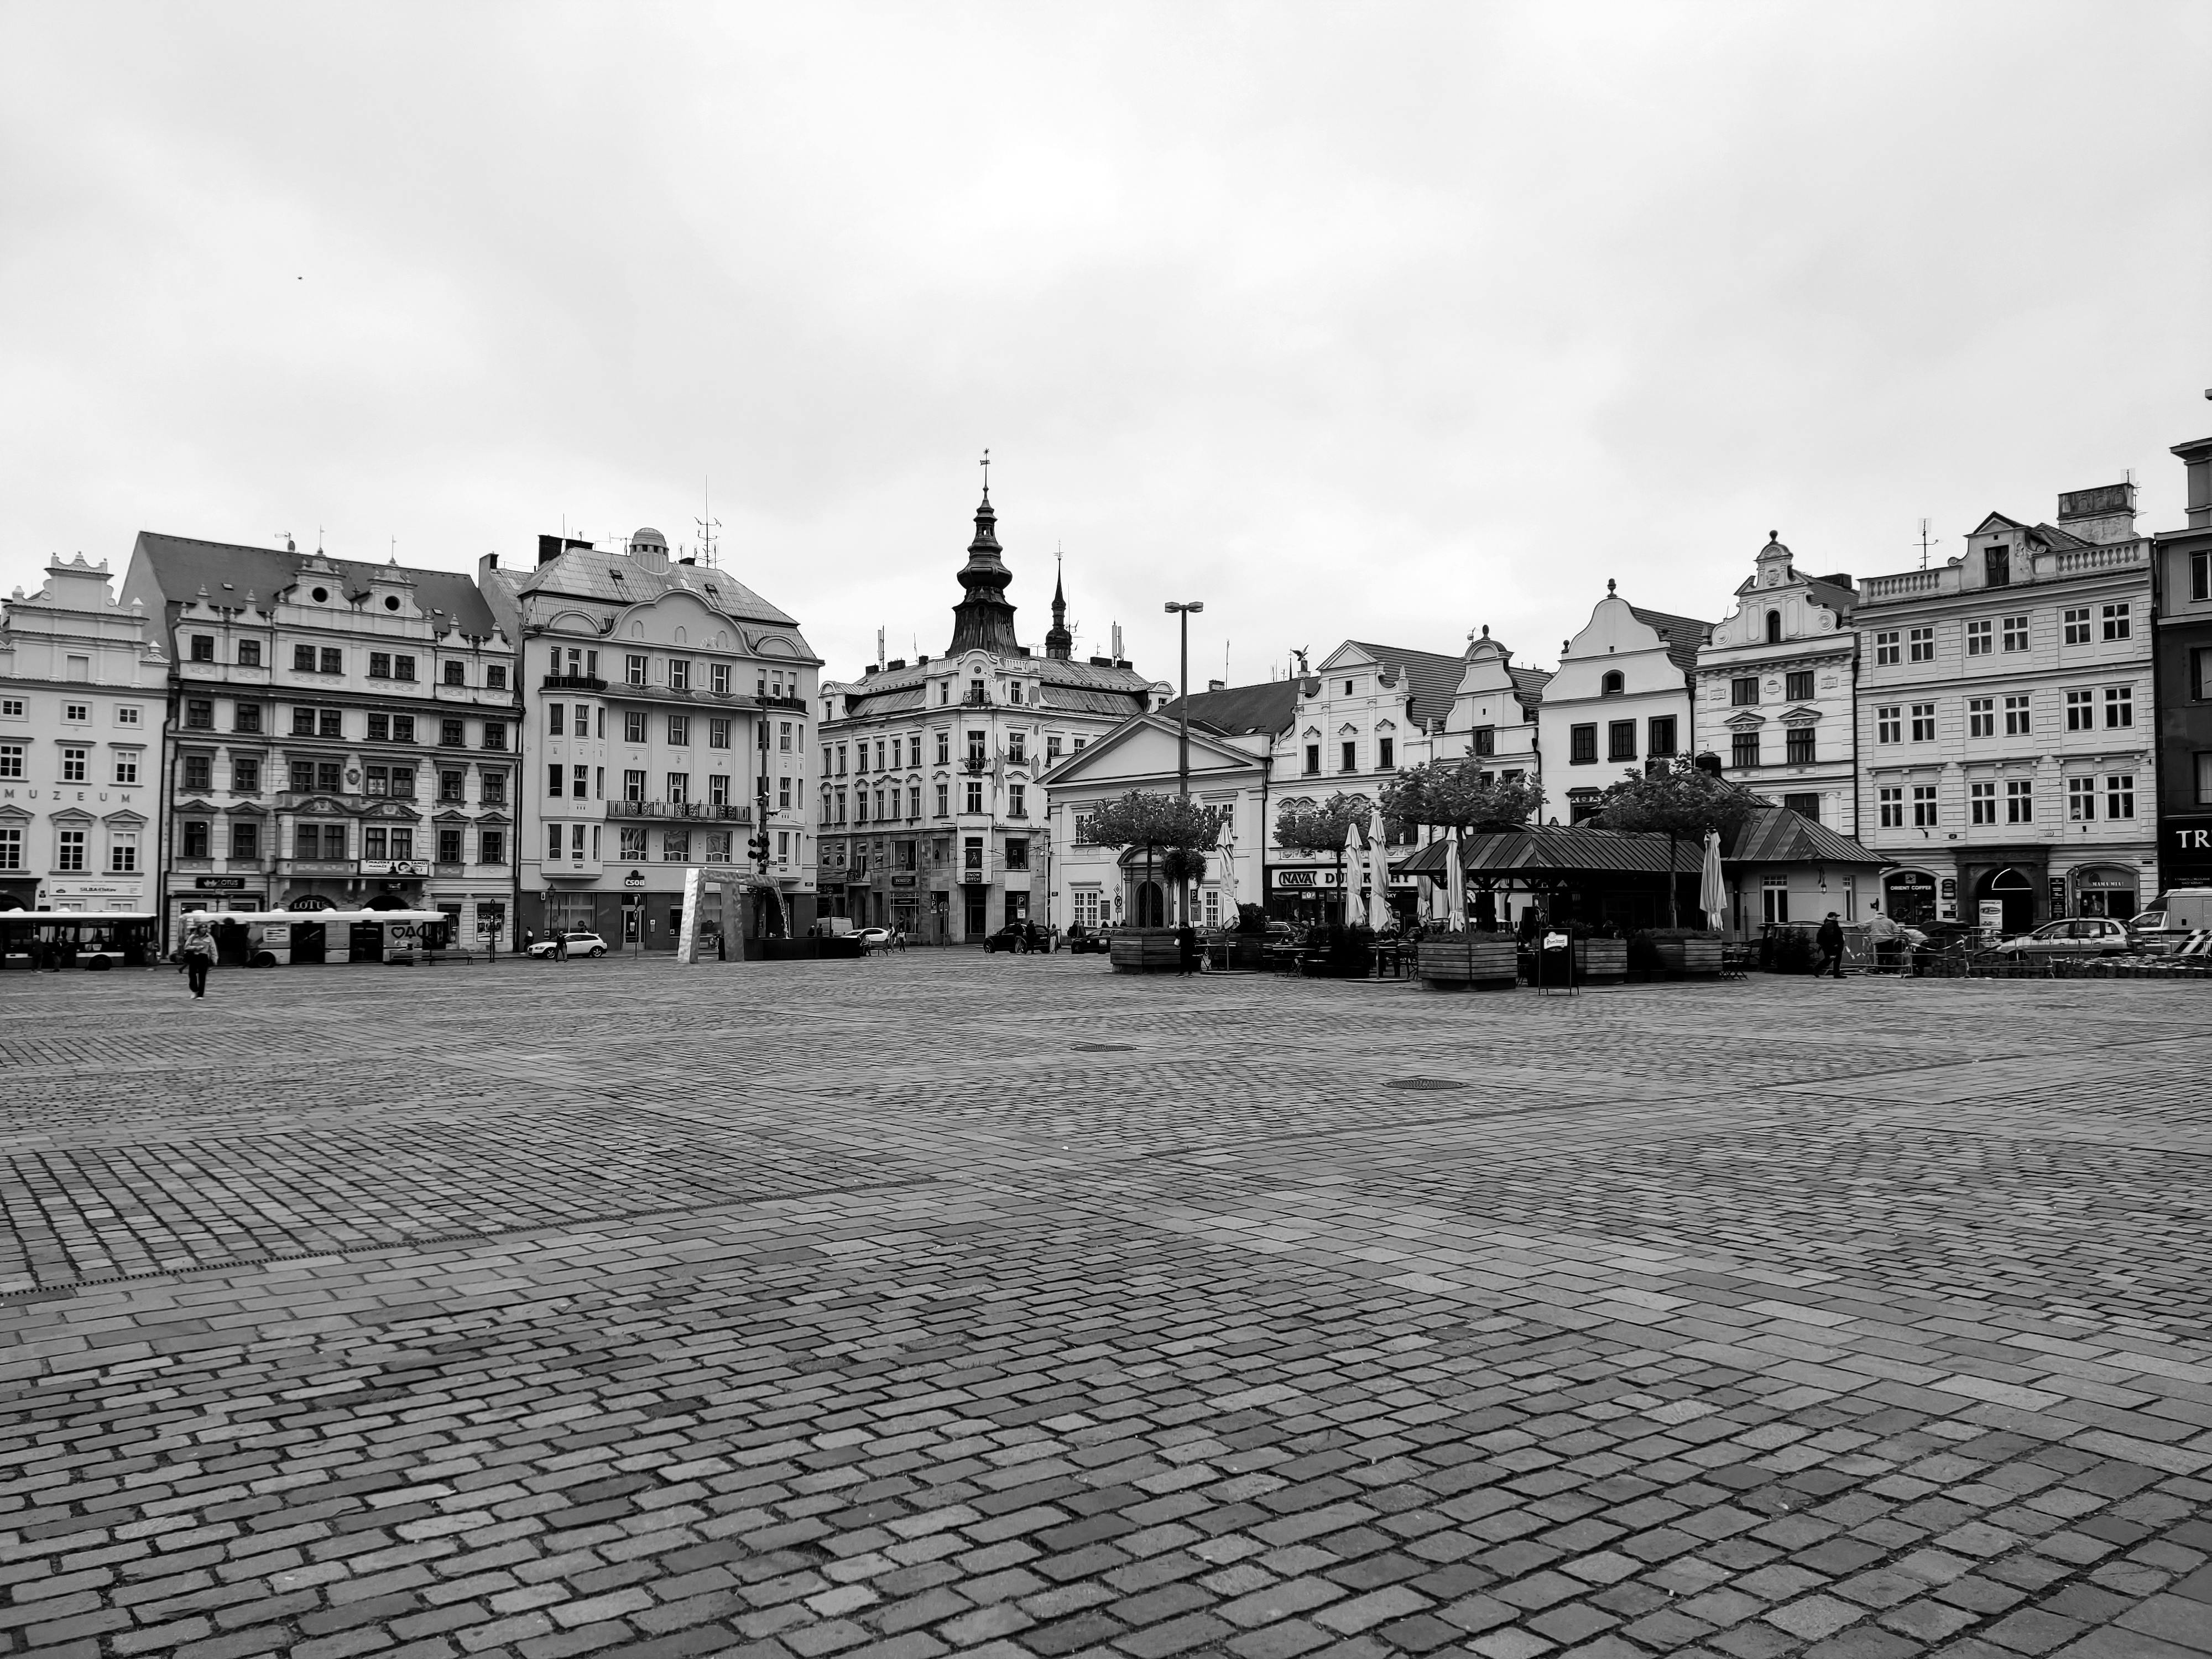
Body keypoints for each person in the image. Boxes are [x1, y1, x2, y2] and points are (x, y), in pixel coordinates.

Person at [182, 922, 216, 999]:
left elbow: (213, 948)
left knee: (202, 976)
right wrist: (195, 948)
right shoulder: (193, 937)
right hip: (194, 957)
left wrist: (215, 959)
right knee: (192, 975)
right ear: (199, 929)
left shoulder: (209, 937)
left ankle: (201, 995)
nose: (204, 929)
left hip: (204, 957)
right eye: (202, 928)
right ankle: (195, 991)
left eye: (205, 927)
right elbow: (186, 947)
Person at [1866, 904, 1903, 973]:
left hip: (1879, 941)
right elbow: (1897, 930)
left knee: (1880, 956)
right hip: (1889, 940)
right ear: (1884, 915)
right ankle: (1889, 970)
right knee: (1889, 956)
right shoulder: (1889, 921)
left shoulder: (1873, 921)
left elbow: (1862, 926)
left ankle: (1880, 970)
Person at [1814, 911, 1845, 980]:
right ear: (1831, 917)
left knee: (1837, 959)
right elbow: (1830, 935)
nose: (1837, 917)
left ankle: (1837, 974)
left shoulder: (1832, 923)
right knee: (1830, 958)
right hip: (1830, 946)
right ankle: (1816, 969)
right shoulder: (1829, 924)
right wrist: (1834, 944)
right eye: (1835, 916)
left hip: (1834, 945)